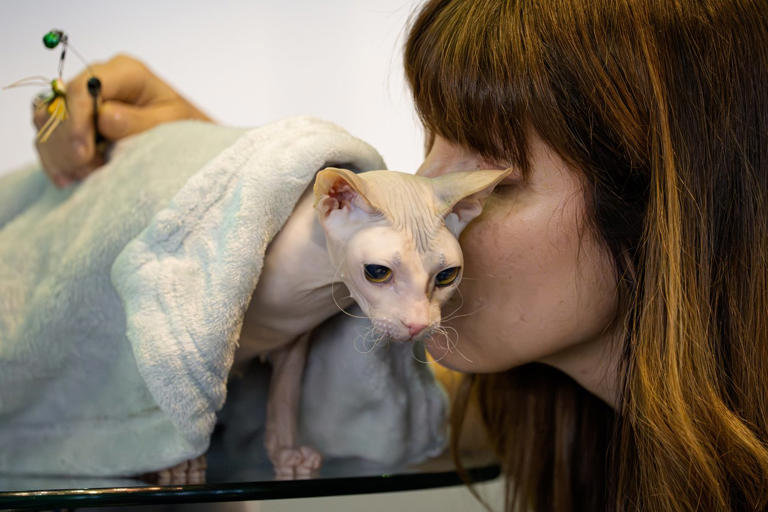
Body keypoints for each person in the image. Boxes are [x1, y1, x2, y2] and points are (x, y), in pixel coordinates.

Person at [31, 0, 768, 510]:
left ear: (676, 206)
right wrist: (236, 207)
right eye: (430, 139)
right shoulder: (544, 428)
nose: (422, 190)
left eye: (491, 171)